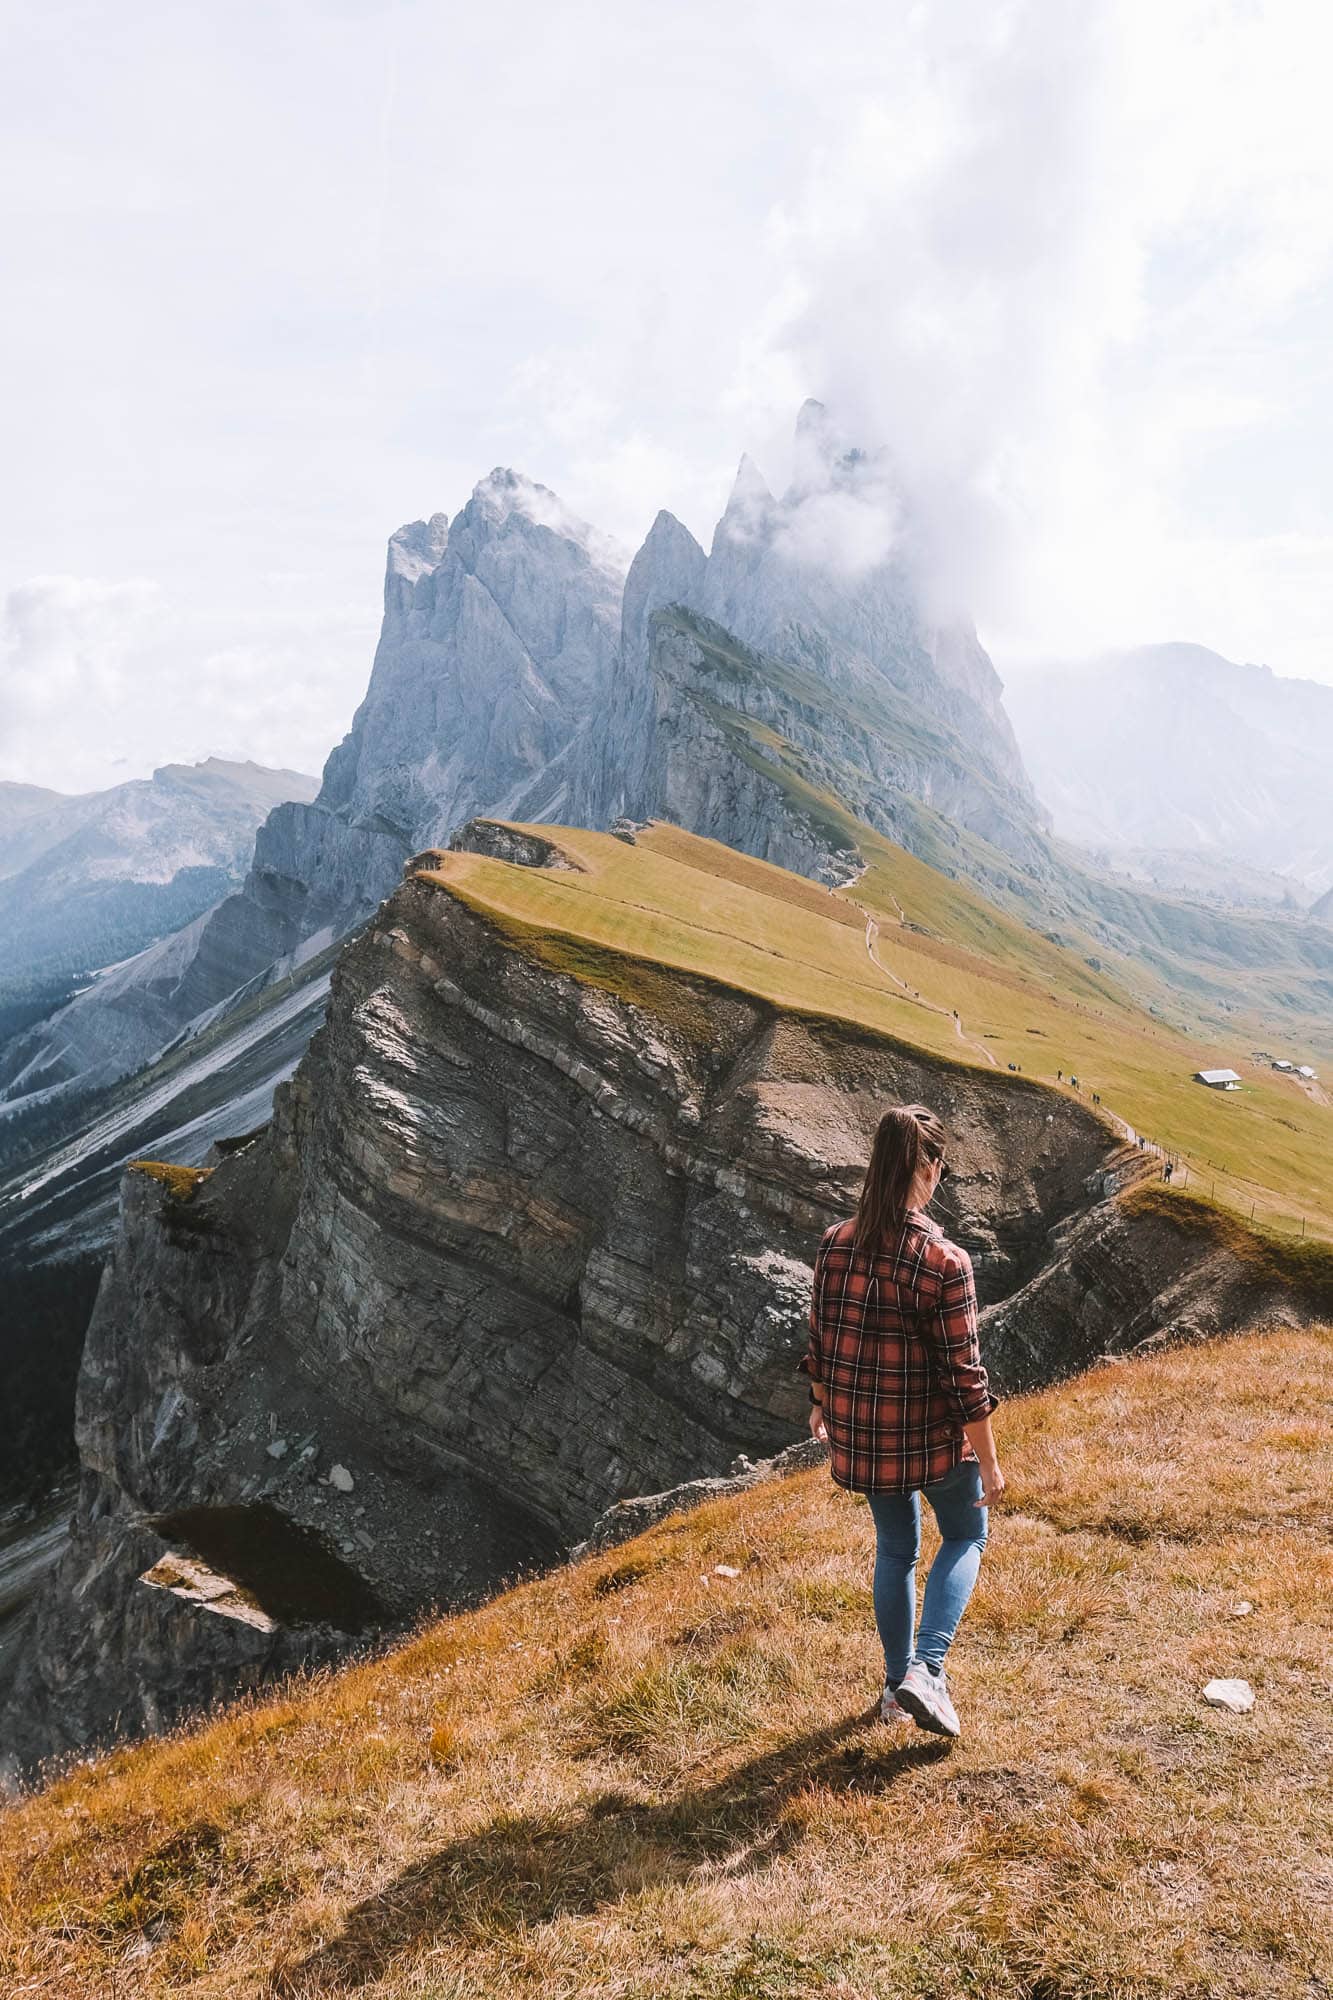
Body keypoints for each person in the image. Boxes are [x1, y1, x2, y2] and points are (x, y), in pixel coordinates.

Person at [801, 1105, 1004, 1740]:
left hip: (864, 1438)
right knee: (967, 1534)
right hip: (933, 1441)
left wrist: (820, 1401)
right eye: (938, 1164)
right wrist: (991, 1463)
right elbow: (964, 1375)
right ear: (927, 1167)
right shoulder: (944, 1262)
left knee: (896, 1549)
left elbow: (820, 1340)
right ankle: (928, 1671)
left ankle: (895, 1688)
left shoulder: (836, 1244)